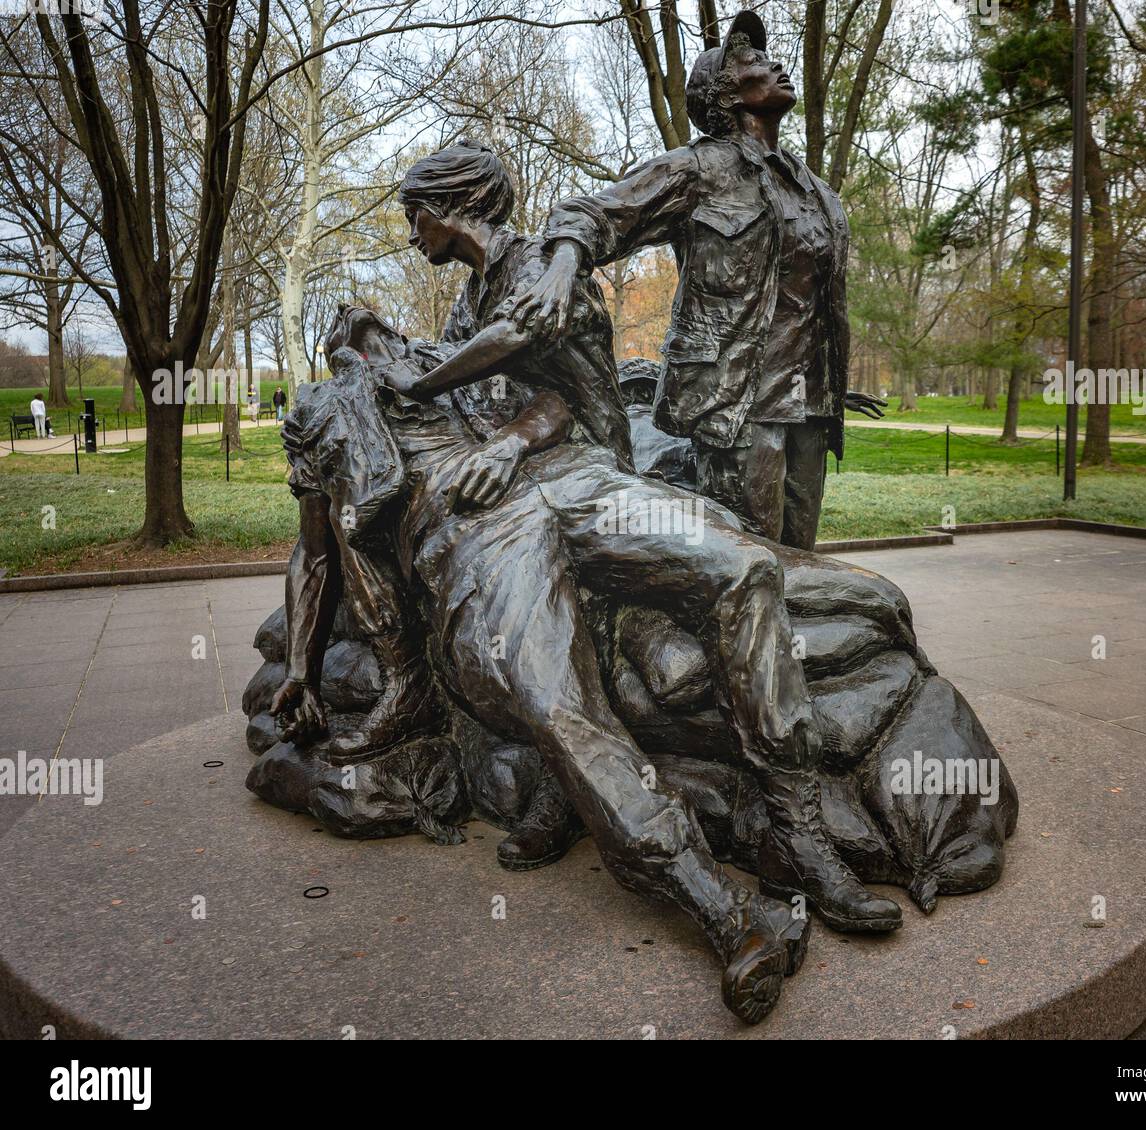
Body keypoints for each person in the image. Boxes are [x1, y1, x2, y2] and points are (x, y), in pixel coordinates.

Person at [270, 143, 910, 1022]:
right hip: (485, 531)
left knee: (748, 566)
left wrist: (504, 439)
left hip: (579, 477)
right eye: (353, 332)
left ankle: (796, 826)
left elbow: (549, 386)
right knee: (561, 705)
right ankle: (727, 916)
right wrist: (322, 664)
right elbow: (330, 540)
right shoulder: (366, 382)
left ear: (443, 206)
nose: (364, 323)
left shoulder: (522, 279)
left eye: (410, 217)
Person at [509, 10, 884, 551]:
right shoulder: (698, 170)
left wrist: (828, 380)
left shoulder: (817, 194)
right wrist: (564, 265)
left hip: (807, 407)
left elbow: (804, 304)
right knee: (750, 559)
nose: (775, 64)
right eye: (754, 60)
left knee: (802, 561)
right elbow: (594, 213)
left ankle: (797, 639)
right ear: (725, 94)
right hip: (736, 404)